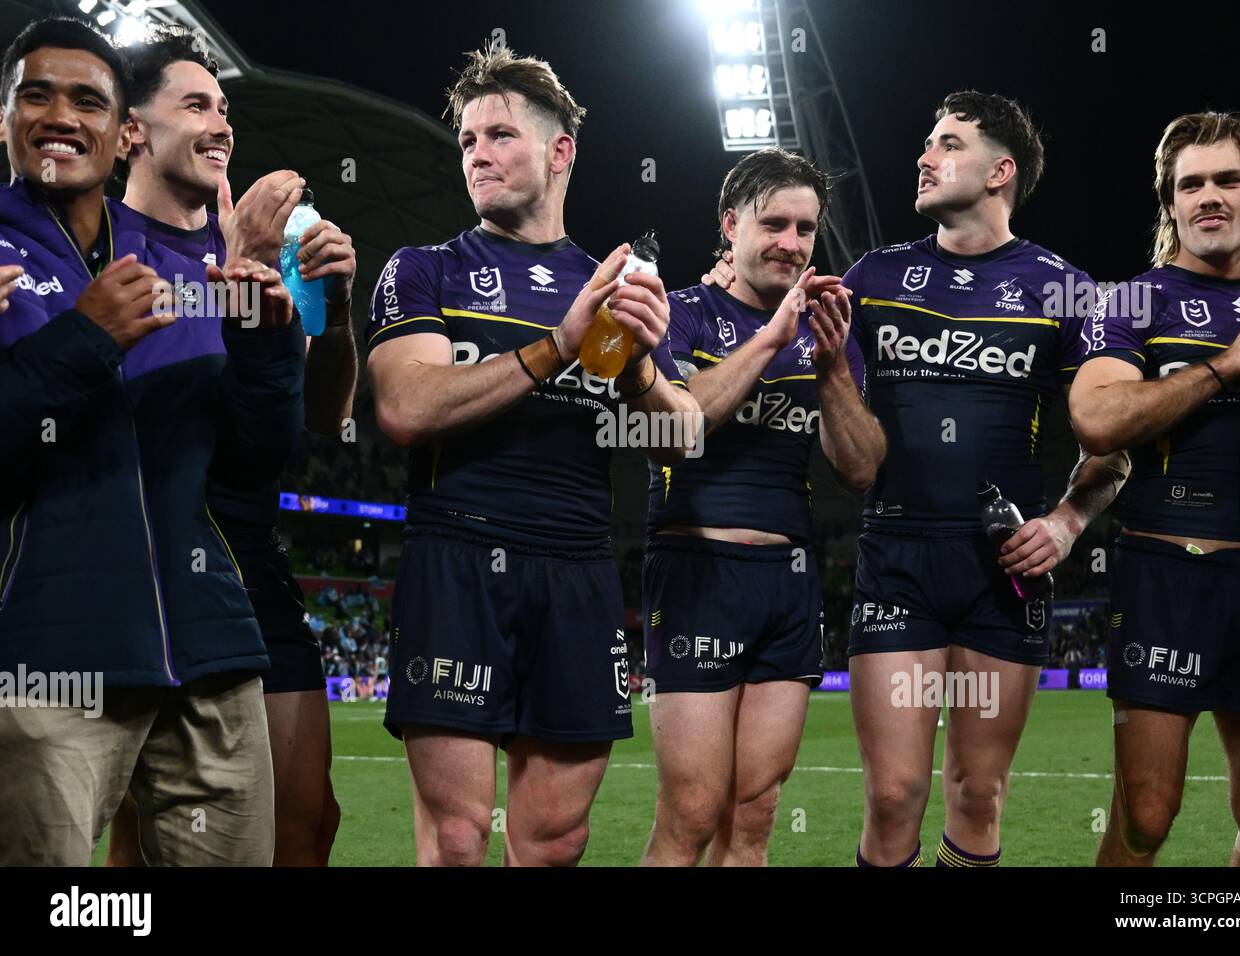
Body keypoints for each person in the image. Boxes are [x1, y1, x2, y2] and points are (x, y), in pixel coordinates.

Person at [707, 90, 1129, 867]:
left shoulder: (1063, 288)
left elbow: (1113, 438)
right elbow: (856, 465)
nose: (924, 157)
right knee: (894, 794)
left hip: (1005, 572)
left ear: (1001, 171)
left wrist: (1067, 525)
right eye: (927, 142)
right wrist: (832, 370)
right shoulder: (875, 276)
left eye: (947, 144)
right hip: (898, 560)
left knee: (978, 793)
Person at [366, 46, 700, 866]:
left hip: (579, 569)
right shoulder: (425, 270)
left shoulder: (614, 288)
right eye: (469, 139)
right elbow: (407, 408)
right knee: (456, 839)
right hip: (458, 557)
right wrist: (559, 344)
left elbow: (682, 436)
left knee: (552, 841)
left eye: (501, 135)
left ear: (561, 152)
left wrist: (642, 365)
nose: (477, 153)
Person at [0, 16, 302, 865]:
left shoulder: (185, 266)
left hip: (209, 646)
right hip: (51, 656)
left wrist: (265, 339)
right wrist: (87, 338)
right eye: (36, 94)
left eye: (87, 99)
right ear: (3, 118)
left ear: (120, 129)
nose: (63, 115)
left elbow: (253, 468)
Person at [101, 25, 358, 868]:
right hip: (140, 544)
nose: (222, 123)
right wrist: (237, 256)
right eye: (196, 104)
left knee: (309, 820)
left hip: (248, 552)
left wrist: (338, 311)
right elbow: (130, 403)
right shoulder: (92, 238)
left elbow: (324, 415)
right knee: (149, 819)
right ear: (132, 130)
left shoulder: (270, 259)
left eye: (225, 107)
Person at [639, 148, 884, 866]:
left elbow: (863, 466)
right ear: (730, 224)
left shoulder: (830, 329)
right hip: (696, 573)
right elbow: (672, 431)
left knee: (755, 811)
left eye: (805, 228)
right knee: (691, 811)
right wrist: (771, 338)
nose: (791, 242)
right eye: (774, 223)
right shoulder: (679, 312)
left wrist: (833, 367)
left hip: (788, 582)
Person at [1072, 112, 1240, 866]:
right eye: (1188, 184)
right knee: (1146, 815)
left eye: (1227, 179)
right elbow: (1097, 419)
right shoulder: (1137, 300)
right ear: (1170, 204)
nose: (1208, 196)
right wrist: (1224, 370)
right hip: (1164, 569)